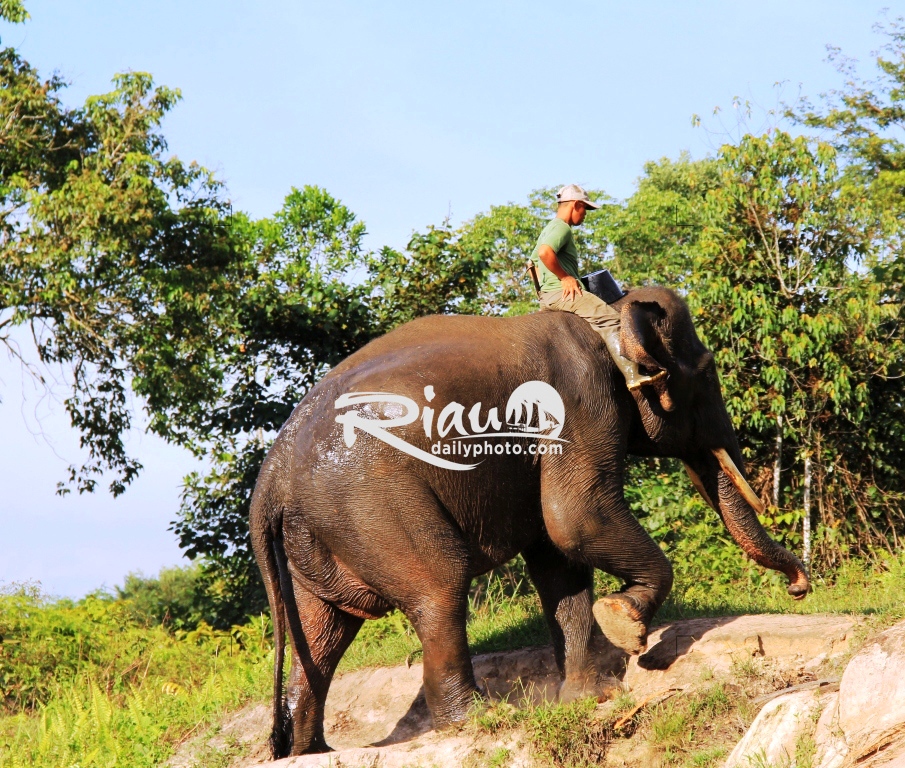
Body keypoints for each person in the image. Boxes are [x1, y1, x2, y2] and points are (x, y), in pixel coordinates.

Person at [530, 184, 665, 391]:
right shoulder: (561, 228)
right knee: (610, 320)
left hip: (548, 296)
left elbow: (532, 265)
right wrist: (564, 278)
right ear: (576, 205)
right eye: (585, 209)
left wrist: (544, 293)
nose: (585, 215)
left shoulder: (548, 228)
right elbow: (544, 253)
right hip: (562, 293)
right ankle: (633, 375)